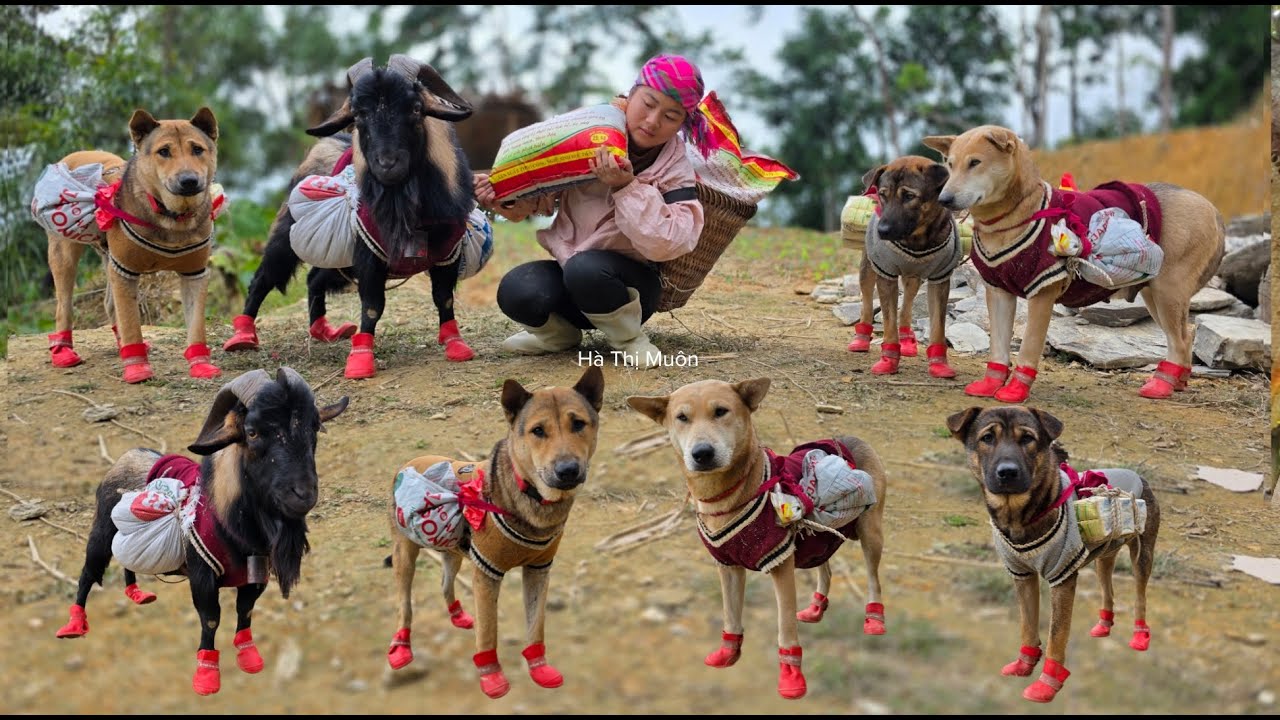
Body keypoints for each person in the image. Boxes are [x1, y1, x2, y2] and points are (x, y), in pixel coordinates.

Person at [473, 54, 709, 368]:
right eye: (648, 103)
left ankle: (628, 339)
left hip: (629, 289)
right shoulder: (590, 134)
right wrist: (503, 197)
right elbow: (542, 199)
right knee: (517, 289)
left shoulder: (675, 166)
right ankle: (558, 335)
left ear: (682, 123)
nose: (653, 121)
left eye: (671, 115)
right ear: (631, 95)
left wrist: (626, 187)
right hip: (573, 274)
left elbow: (670, 242)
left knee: (586, 269)